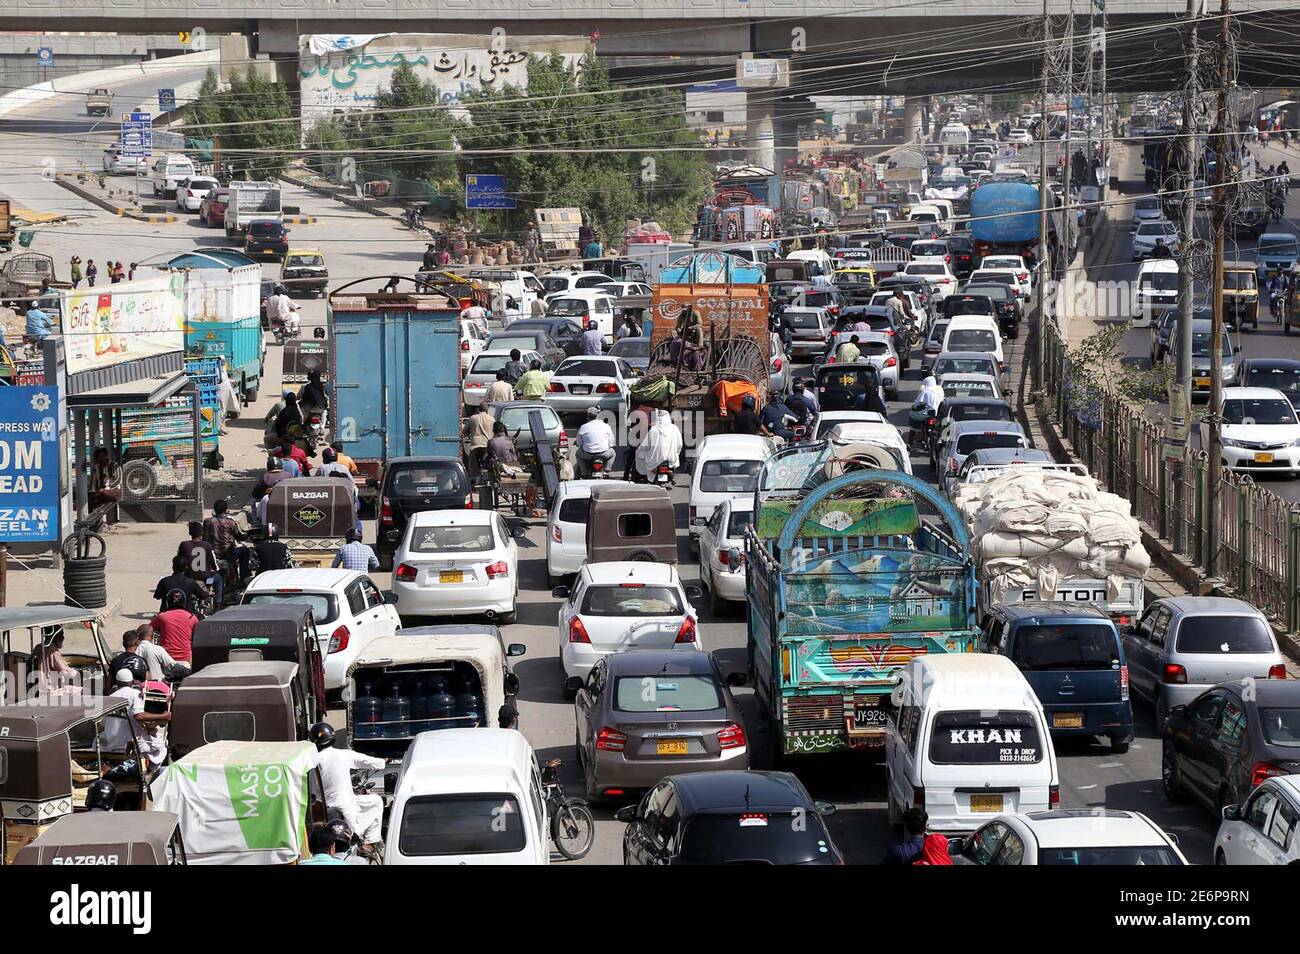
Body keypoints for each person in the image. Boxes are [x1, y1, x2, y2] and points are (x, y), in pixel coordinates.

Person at [311, 723, 386, 852]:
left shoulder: (314, 761)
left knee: (374, 802)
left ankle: (365, 841)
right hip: (346, 804)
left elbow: (313, 791)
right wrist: (382, 762)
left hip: (327, 805)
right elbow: (367, 761)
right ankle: (367, 842)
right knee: (374, 804)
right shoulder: (344, 754)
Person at [178, 520, 222, 607]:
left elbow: (180, 561)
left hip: (189, 578)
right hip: (206, 579)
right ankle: (218, 603)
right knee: (219, 579)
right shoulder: (207, 545)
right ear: (201, 533)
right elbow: (214, 565)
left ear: (190, 533)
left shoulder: (184, 545)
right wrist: (215, 569)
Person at [204, 498, 250, 580]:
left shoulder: (207, 522)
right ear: (225, 510)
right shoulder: (231, 522)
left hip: (212, 554)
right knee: (245, 550)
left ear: (214, 510)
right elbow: (239, 536)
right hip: (228, 555)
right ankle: (243, 578)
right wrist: (248, 534)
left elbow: (204, 537)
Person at [150, 591, 199, 669]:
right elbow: (198, 635)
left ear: (168, 602)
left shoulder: (162, 617)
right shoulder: (192, 617)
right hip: (186, 658)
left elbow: (148, 630)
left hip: (166, 658)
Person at [634, 408, 683, 480]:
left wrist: (640, 450)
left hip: (655, 460)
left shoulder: (654, 429)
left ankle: (651, 472)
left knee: (639, 454)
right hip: (671, 459)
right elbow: (679, 444)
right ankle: (669, 471)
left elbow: (645, 445)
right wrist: (676, 453)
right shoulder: (674, 428)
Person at [575, 407, 616, 475]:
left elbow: (579, 443)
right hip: (604, 453)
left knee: (578, 454)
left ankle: (584, 472)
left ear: (588, 417)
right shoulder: (606, 426)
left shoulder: (583, 427)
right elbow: (612, 443)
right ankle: (607, 470)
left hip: (588, 454)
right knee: (613, 453)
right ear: (598, 416)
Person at [909, 375, 946, 448]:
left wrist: (914, 407)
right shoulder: (939, 390)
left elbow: (918, 402)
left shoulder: (925, 392)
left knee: (912, 416)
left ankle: (910, 445)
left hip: (928, 413)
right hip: (939, 413)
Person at [462, 405, 496, 475]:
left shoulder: (473, 418)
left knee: (473, 467)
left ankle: (474, 479)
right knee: (487, 466)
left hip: (475, 445)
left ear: (478, 409)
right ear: (487, 410)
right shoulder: (492, 419)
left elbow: (464, 431)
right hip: (487, 445)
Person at [87, 447, 122, 512]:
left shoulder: (114, 465)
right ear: (97, 458)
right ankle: (92, 519)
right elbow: (93, 482)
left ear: (106, 456)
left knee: (101, 493)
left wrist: (107, 488)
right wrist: (92, 492)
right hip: (101, 492)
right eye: (99, 457)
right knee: (90, 499)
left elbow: (118, 480)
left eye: (103, 456)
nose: (101, 458)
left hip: (114, 491)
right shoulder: (96, 467)